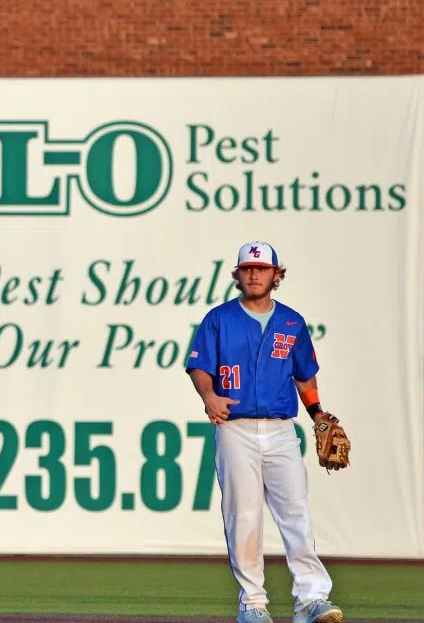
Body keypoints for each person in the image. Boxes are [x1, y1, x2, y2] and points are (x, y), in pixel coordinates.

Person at [184, 241, 343, 623]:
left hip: (282, 429)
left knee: (296, 513)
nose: (254, 274)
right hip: (235, 428)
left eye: (261, 268)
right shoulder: (219, 319)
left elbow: (304, 376)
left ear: (276, 274)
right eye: (247, 268)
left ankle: (311, 599)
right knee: (244, 515)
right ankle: (252, 603)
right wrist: (209, 396)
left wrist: (318, 413)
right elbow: (199, 365)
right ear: (238, 275)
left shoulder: (291, 322)